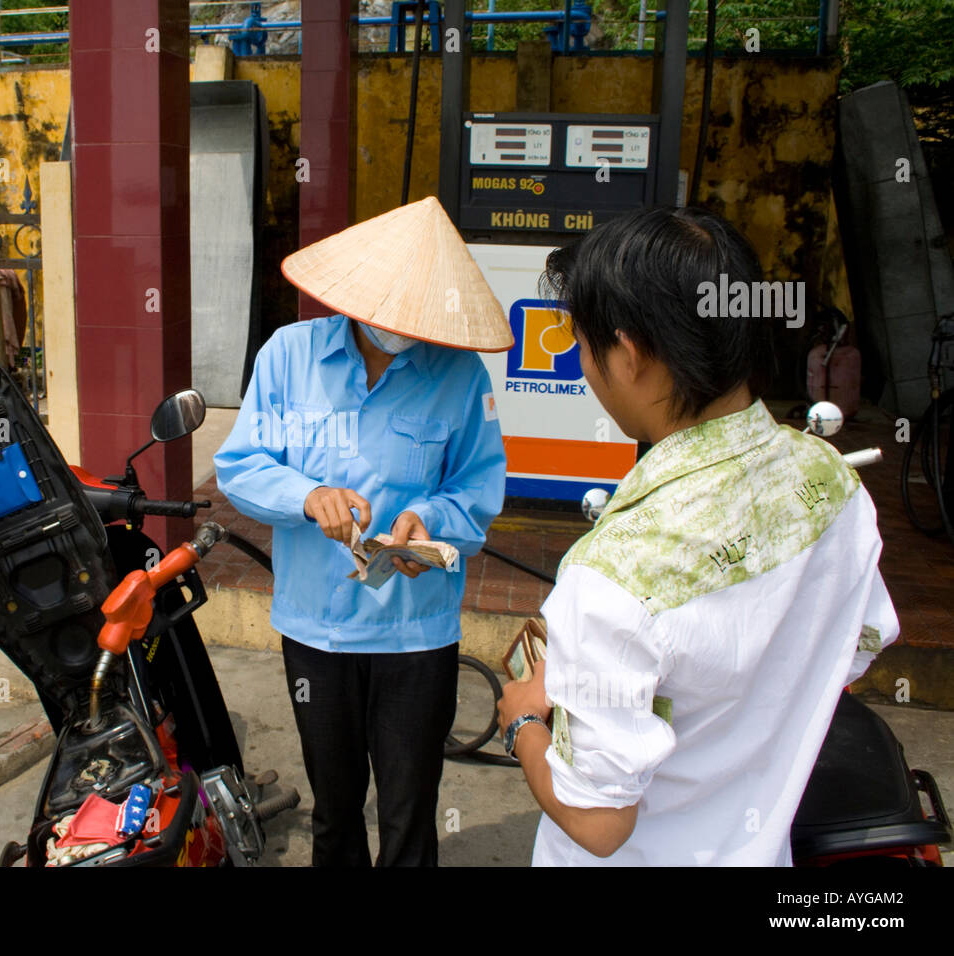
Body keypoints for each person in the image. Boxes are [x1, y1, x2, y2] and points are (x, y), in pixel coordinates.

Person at [495, 206, 899, 865]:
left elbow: (598, 823)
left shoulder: (612, 577)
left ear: (631, 355)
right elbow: (857, 645)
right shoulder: (831, 483)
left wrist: (522, 722)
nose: (583, 364)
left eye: (583, 343)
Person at [215, 196, 511, 866]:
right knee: (335, 809)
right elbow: (238, 466)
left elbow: (478, 490)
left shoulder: (460, 375)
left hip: (417, 631)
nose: (403, 327)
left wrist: (428, 521)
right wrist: (307, 494)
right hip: (317, 630)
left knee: (410, 813)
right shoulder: (289, 357)